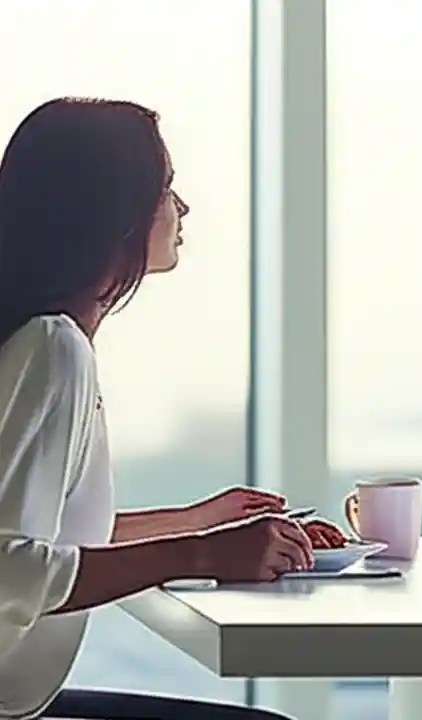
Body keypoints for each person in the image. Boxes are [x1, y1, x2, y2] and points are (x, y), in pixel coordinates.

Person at [0, 98, 316, 719]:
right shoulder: (53, 349)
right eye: (166, 188)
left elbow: (48, 537)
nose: (181, 208)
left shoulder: (41, 342)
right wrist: (200, 555)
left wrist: (197, 523)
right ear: (113, 214)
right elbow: (8, 566)